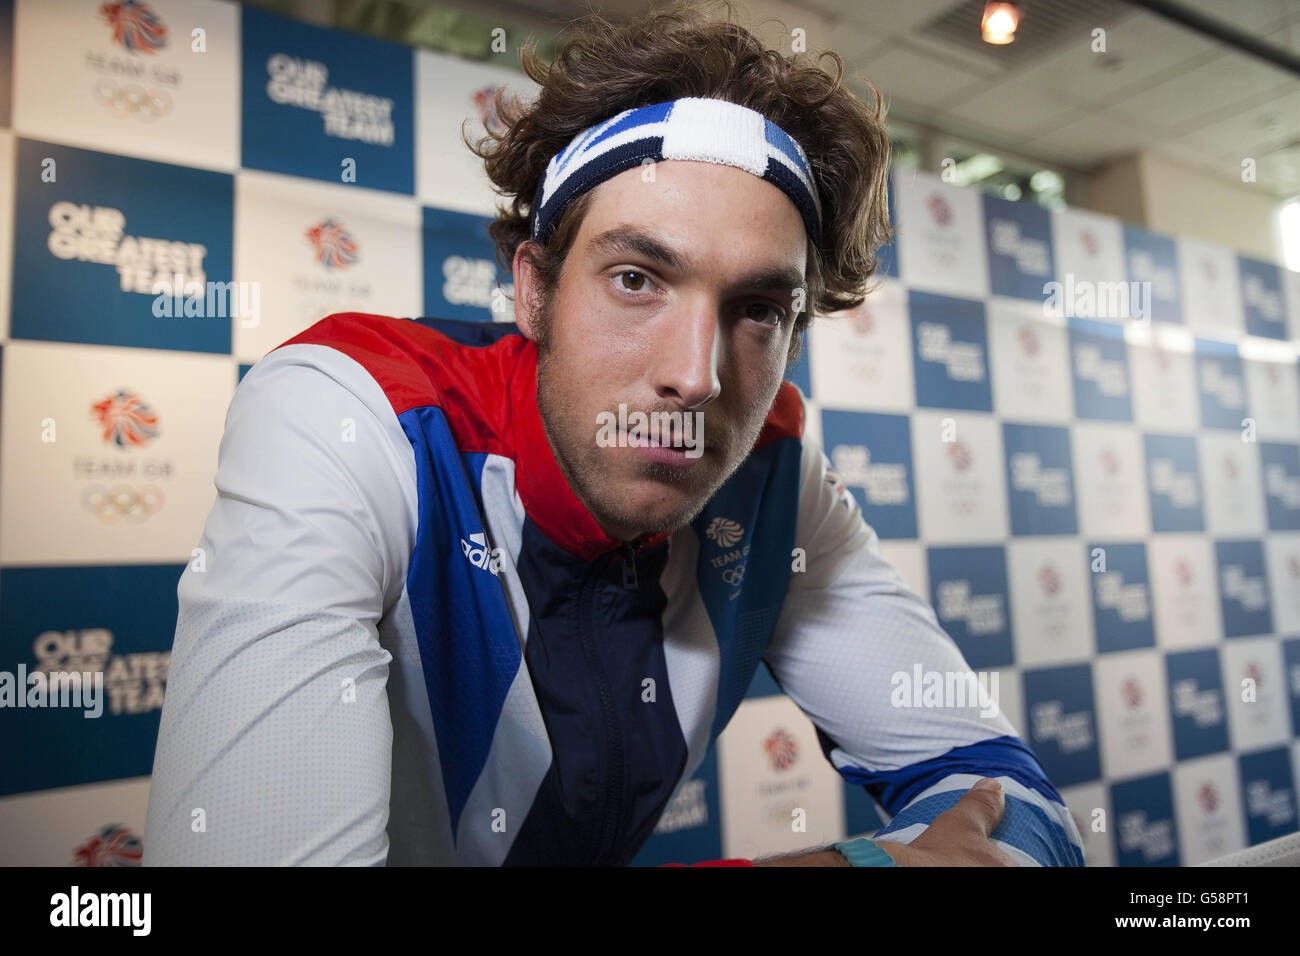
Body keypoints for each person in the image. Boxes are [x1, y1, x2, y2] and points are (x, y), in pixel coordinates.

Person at [143, 1, 1084, 867]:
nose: (697, 374)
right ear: (535, 287)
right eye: (638, 278)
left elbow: (1015, 803)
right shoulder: (356, 415)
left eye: (757, 307)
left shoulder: (773, 476)